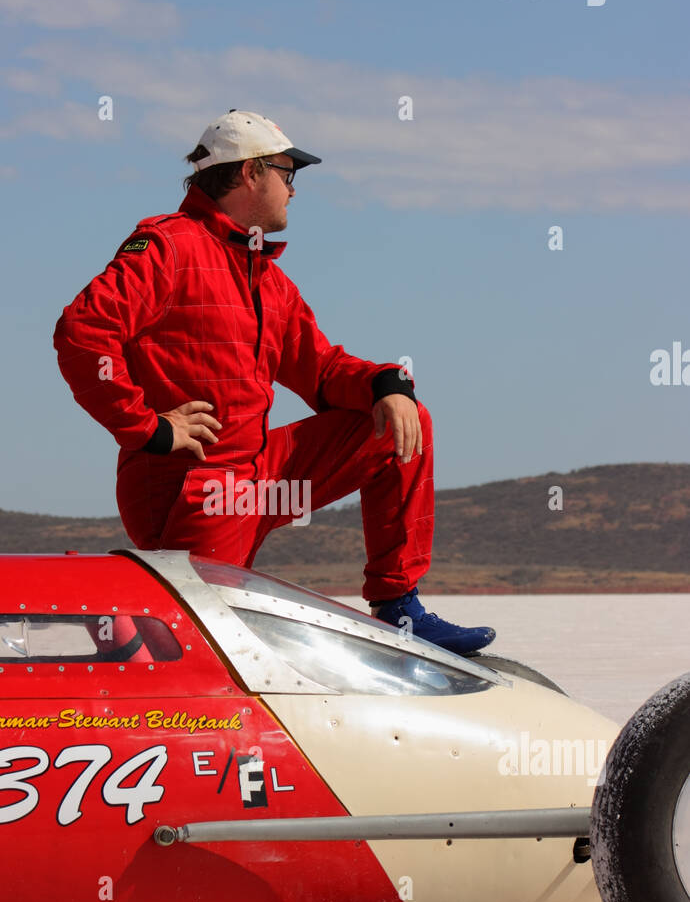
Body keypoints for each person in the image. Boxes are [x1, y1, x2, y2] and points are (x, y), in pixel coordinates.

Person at [54, 110, 495, 656]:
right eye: (287, 174)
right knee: (200, 653)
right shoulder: (169, 248)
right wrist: (148, 428)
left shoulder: (267, 279)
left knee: (402, 419)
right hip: (201, 487)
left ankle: (398, 607)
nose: (293, 190)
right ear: (250, 173)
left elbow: (325, 371)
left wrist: (386, 383)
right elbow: (83, 333)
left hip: (261, 474)